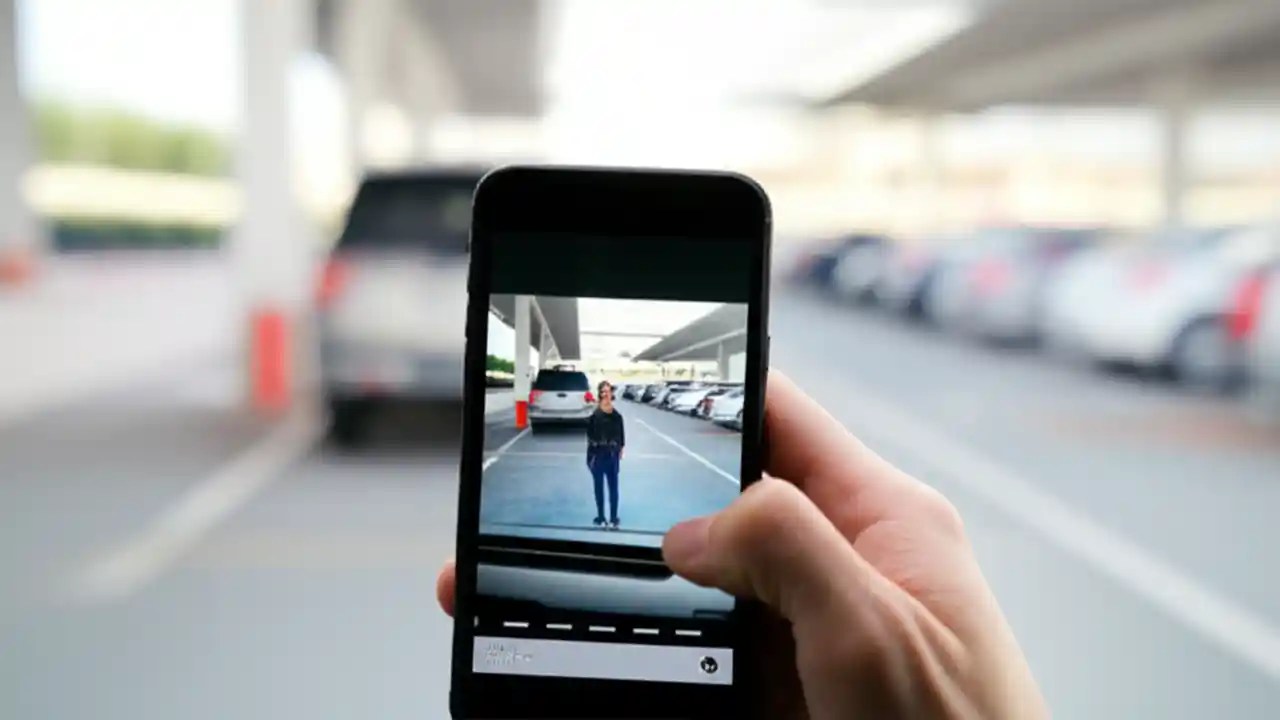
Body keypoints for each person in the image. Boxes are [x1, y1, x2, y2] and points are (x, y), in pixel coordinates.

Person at [436, 372, 1048, 719]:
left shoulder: (613, 413)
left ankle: (606, 518)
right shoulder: (596, 415)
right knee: (599, 492)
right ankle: (601, 515)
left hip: (610, 460)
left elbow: (617, 428)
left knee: (609, 498)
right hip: (595, 458)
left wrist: (616, 445)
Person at [586, 380, 624, 529]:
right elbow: (589, 437)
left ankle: (614, 517)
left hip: (612, 455)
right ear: (600, 394)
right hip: (598, 455)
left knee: (613, 487)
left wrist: (620, 450)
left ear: (611, 393)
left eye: (608, 391)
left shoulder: (617, 416)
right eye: (603, 391)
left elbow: (621, 436)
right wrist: (590, 458)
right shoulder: (594, 415)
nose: (606, 394)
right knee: (599, 487)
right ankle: (601, 516)